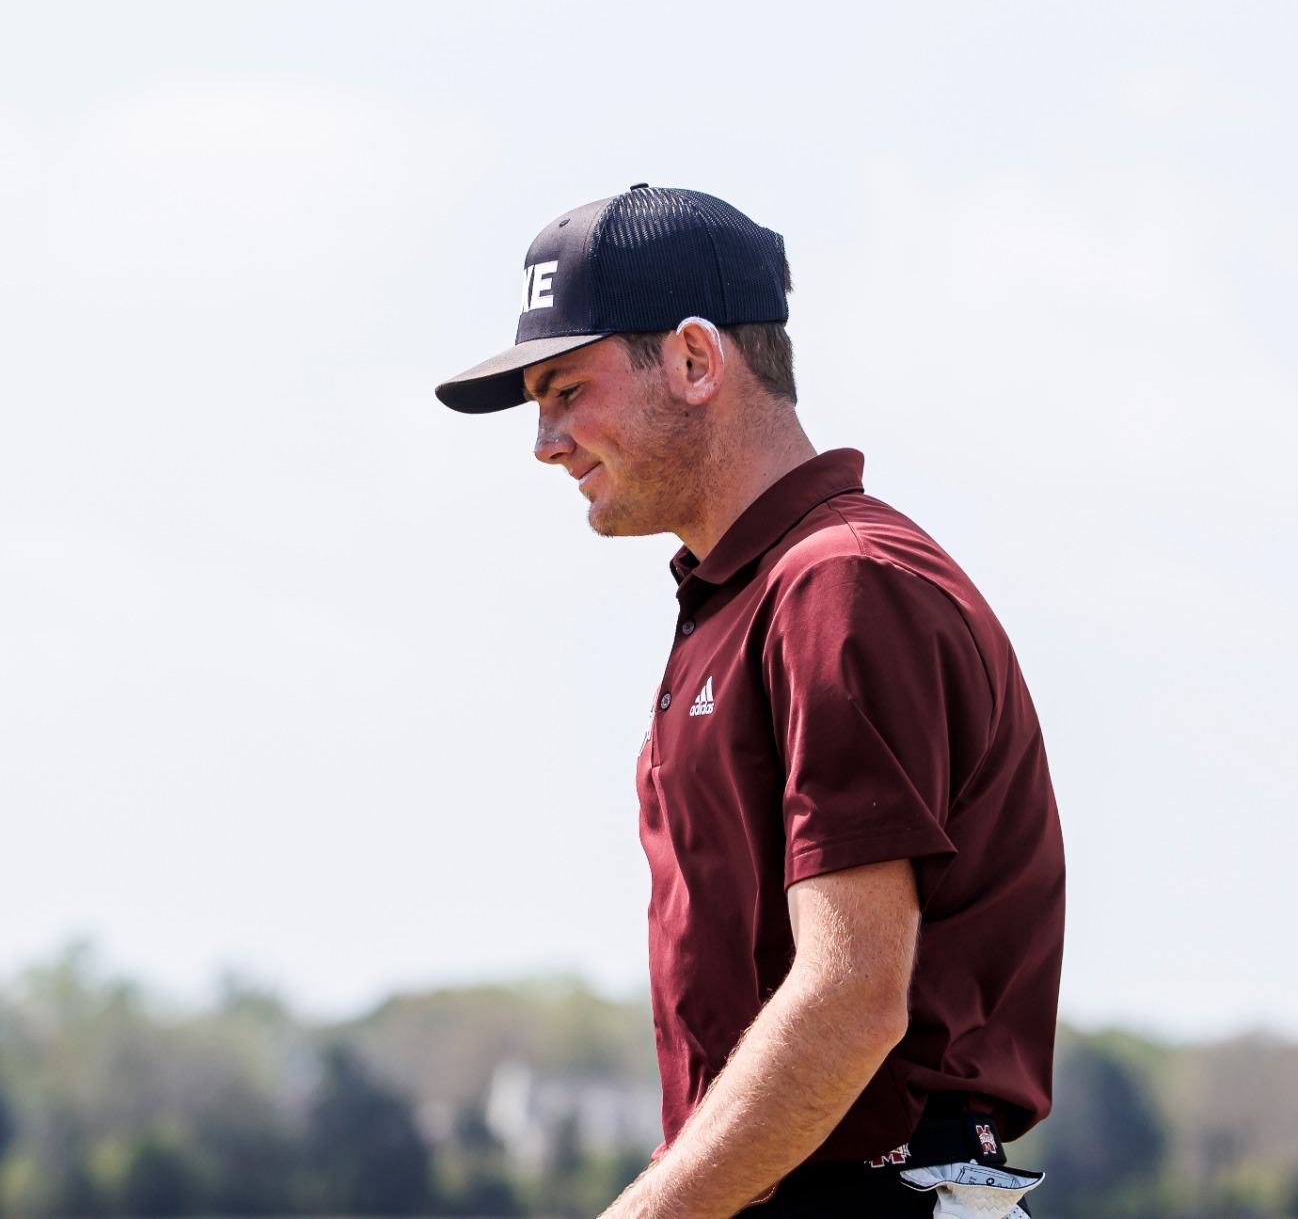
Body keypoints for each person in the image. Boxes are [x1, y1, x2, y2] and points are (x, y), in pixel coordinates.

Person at [435, 186, 1066, 1219]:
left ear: (693, 361)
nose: (543, 442)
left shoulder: (836, 583)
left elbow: (850, 994)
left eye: (563, 390)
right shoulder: (755, 593)